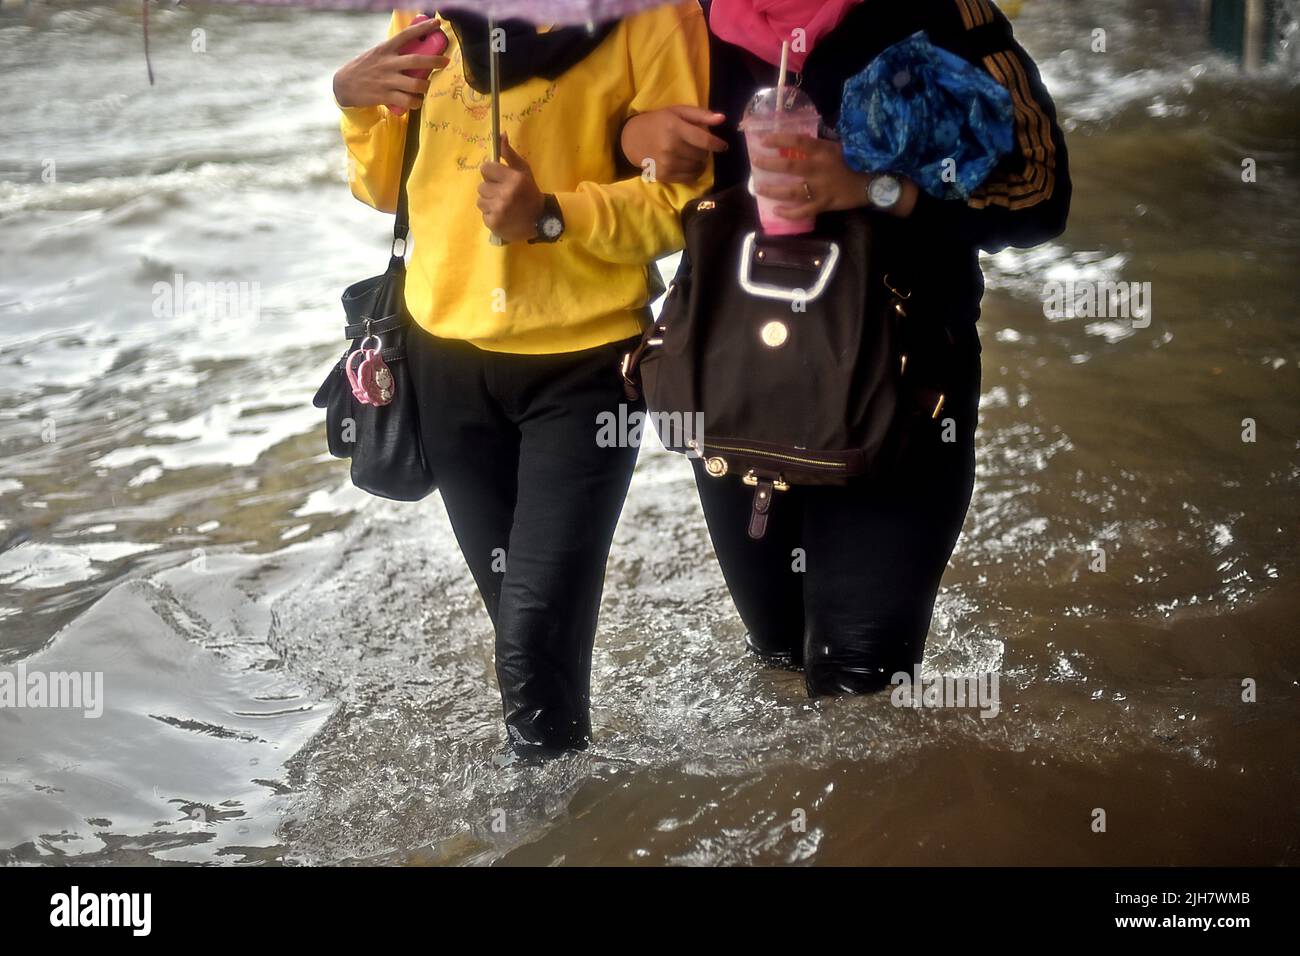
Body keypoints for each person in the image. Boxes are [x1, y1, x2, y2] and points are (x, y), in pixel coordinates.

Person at [620, 0, 1070, 694]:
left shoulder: (945, 15)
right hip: (738, 380)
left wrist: (875, 188)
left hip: (904, 393)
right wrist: (629, 137)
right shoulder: (682, 22)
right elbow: (576, 148)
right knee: (778, 662)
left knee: (861, 689)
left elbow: (1040, 193)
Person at [333, 5, 711, 762]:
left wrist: (550, 217)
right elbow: (386, 190)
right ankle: (564, 809)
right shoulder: (433, 12)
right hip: (442, 358)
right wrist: (355, 102)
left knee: (535, 627)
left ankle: (546, 819)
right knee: (519, 627)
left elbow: (679, 205)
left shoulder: (652, 16)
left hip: (586, 368)